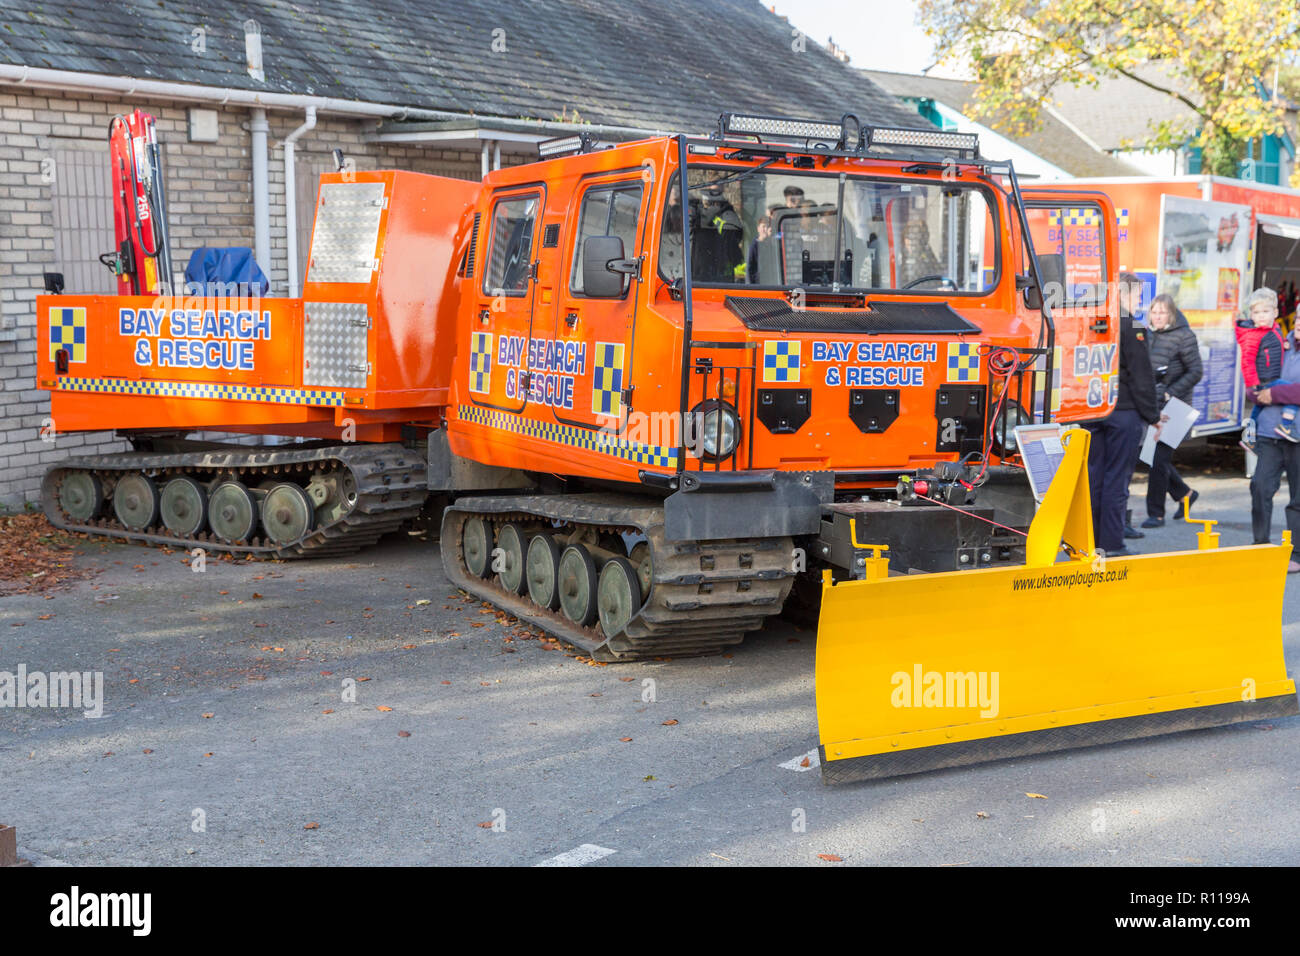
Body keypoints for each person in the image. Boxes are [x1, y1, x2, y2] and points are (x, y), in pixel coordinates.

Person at [1084, 272, 1161, 555]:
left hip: (1090, 410)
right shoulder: (1130, 327)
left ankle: (1089, 541)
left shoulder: (1089, 325)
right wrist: (1153, 416)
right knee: (1117, 480)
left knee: (1094, 480)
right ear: (1124, 294)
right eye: (1137, 295)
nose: (1139, 300)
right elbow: (1143, 379)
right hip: (1123, 412)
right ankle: (1112, 543)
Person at [1244, 317, 1300, 574]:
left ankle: (1296, 554)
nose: (1299, 323)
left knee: (1298, 499)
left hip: (1297, 435)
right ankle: (1260, 545)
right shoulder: (1276, 344)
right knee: (1260, 487)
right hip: (1269, 432)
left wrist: (1275, 393)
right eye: (1298, 318)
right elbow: (1254, 383)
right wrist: (1257, 392)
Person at [1141, 293, 1202, 526]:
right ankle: (1185, 494)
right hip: (1155, 404)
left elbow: (1195, 371)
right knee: (1153, 458)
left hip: (1178, 405)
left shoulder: (1184, 336)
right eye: (1154, 312)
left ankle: (1155, 514)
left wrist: (1170, 392)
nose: (1158, 317)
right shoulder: (1146, 335)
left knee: (1157, 458)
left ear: (1172, 314)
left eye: (1162, 312)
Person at [1236, 287, 1298, 448]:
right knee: (1290, 392)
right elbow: (1247, 361)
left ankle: (1249, 436)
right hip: (1264, 379)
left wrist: (1283, 343)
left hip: (1269, 378)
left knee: (1259, 407)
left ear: (1275, 312)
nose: (1261, 316)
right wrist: (1252, 384)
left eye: (1265, 311)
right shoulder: (1253, 334)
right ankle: (1286, 424)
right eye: (1257, 313)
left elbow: (1275, 340)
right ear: (1251, 315)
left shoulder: (1275, 328)